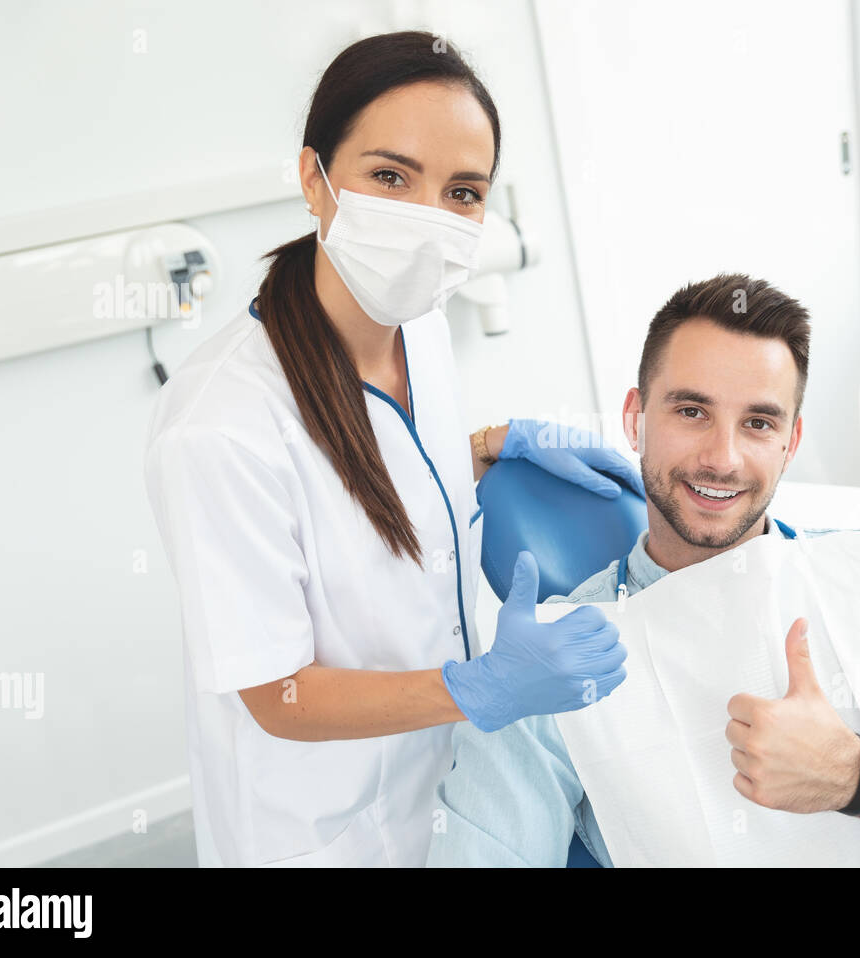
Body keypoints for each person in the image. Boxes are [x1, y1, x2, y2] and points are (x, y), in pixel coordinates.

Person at [144, 32, 635, 867]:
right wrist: (476, 689)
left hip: (451, 792)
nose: (427, 219)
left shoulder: (422, 326)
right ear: (315, 179)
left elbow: (384, 473)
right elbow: (277, 694)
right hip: (325, 829)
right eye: (390, 176)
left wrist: (494, 451)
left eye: (463, 192)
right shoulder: (219, 426)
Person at [426, 272, 860, 867]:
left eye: (757, 423)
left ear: (790, 443)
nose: (721, 458)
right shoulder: (551, 661)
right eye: (691, 411)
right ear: (635, 420)